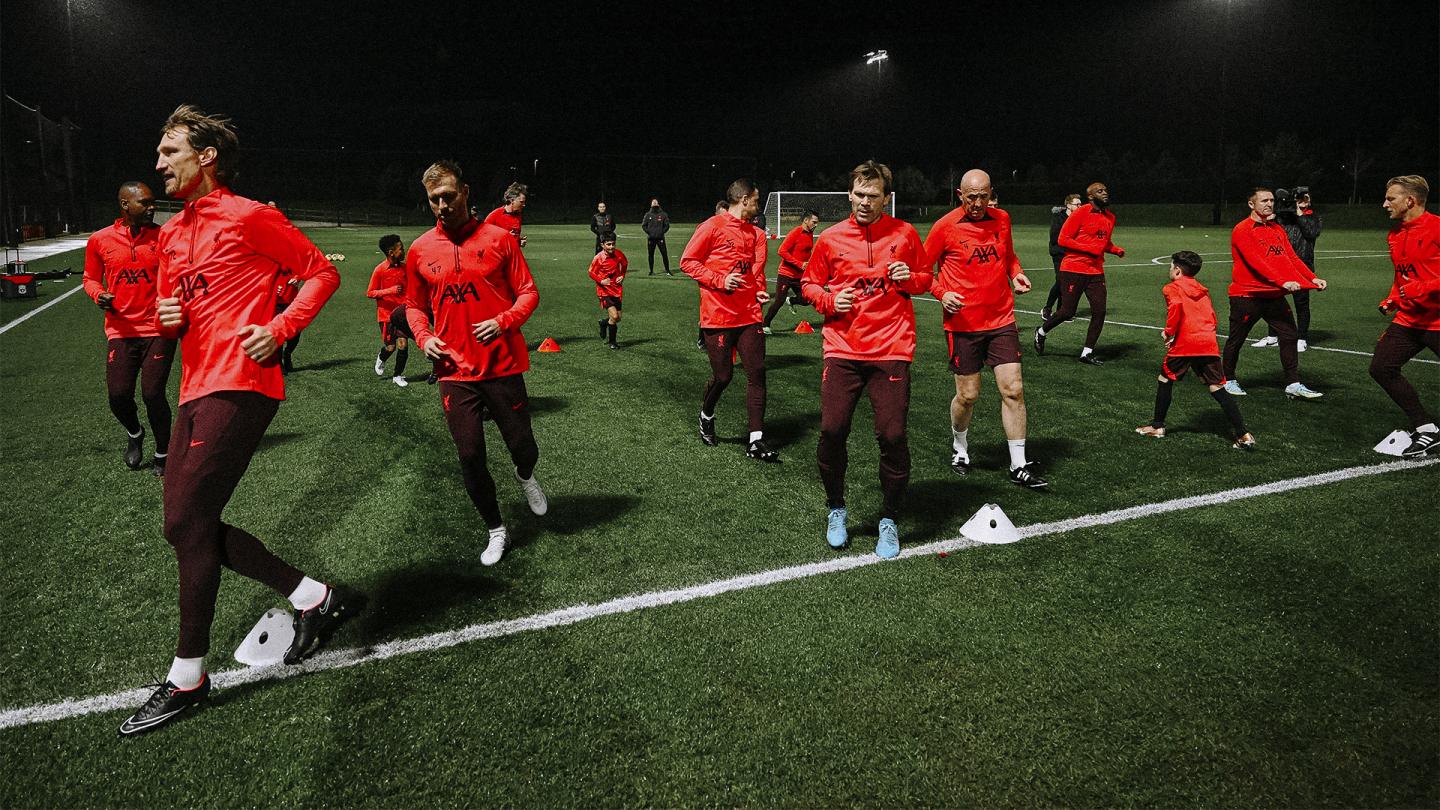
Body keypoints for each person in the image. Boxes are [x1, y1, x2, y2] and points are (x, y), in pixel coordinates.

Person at [119, 105, 358, 736]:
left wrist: (279, 328)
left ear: (206, 156)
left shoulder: (251, 215)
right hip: (197, 387)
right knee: (184, 527)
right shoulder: (171, 236)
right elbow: (179, 314)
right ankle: (315, 597)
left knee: (184, 520)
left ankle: (187, 676)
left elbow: (321, 273)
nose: (159, 164)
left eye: (170, 151)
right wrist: (170, 319)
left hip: (244, 382)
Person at [407, 161, 547, 569]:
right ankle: (496, 529)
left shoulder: (500, 239)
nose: (442, 205)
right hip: (454, 371)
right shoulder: (420, 249)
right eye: (434, 199)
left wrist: (503, 321)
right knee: (469, 455)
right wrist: (424, 336)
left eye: (448, 195)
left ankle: (525, 476)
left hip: (502, 365)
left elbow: (528, 293)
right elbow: (414, 306)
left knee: (523, 446)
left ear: (465, 191)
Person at [802, 160, 931, 559]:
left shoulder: (905, 234)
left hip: (891, 349)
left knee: (892, 437)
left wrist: (907, 277)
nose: (864, 202)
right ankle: (836, 508)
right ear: (849, 194)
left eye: (873, 196)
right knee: (832, 430)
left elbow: (926, 279)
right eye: (858, 194)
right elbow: (808, 283)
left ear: (886, 199)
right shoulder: (830, 238)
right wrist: (828, 300)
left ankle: (889, 520)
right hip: (842, 348)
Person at [924, 170, 1048, 489]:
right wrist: (942, 293)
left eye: (984, 196)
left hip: (1001, 319)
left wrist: (1016, 273)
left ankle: (1018, 464)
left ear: (992, 193)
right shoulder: (944, 227)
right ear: (959, 194)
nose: (978, 203)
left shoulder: (1002, 219)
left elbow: (1010, 257)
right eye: (971, 197)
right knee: (968, 395)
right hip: (963, 325)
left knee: (1013, 389)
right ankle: (961, 447)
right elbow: (921, 271)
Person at [680, 178, 777, 462]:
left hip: (749, 315)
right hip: (719, 316)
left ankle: (756, 440)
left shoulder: (756, 235)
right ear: (744, 199)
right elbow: (688, 261)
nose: (758, 206)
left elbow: (756, 272)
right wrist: (720, 280)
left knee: (757, 374)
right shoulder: (711, 226)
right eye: (757, 200)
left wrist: (760, 291)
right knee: (724, 376)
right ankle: (706, 415)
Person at [82, 180, 175, 475]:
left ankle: (163, 452)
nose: (151, 207)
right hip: (121, 330)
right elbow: (90, 279)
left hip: (158, 329)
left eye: (152, 202)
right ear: (125, 205)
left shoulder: (164, 237)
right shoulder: (100, 240)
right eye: (144, 203)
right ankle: (135, 434)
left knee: (152, 394)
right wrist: (100, 295)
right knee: (119, 395)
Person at [1135, 251, 1255, 449]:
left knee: (1165, 379)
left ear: (1178, 270)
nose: (1170, 270)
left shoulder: (1171, 288)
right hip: (1207, 341)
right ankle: (1243, 434)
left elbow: (1176, 307)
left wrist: (1169, 333)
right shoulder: (1202, 289)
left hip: (1186, 343)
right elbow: (1211, 315)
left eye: (1171, 266)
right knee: (1216, 386)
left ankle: (1158, 426)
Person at [1220, 187, 1327, 399]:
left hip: (1272, 295)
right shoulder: (1242, 229)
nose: (1269, 204)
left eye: (1271, 200)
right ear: (1251, 204)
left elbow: (1292, 258)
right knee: (1236, 339)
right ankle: (1227, 379)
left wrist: (1311, 278)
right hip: (1247, 296)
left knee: (1289, 334)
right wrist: (1283, 282)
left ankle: (1292, 384)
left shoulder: (1276, 229)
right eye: (1263, 201)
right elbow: (1257, 262)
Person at [1371, 175, 1439, 456]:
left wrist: (1422, 287)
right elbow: (1403, 276)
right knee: (1381, 368)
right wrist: (1393, 297)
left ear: (1410, 200)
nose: (1385, 203)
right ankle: (1427, 430)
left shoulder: (1436, 228)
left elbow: (1419, 281)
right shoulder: (1395, 234)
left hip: (1437, 320)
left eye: (1391, 198)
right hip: (1409, 319)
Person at [1034, 182, 1126, 364]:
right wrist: (1088, 248)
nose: (1105, 193)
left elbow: (1103, 242)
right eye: (1100, 191)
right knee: (1067, 312)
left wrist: (1115, 250)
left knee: (1099, 311)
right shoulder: (1082, 212)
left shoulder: (1110, 217)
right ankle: (1041, 331)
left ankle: (1086, 353)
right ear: (1091, 196)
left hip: (1095, 270)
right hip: (1073, 268)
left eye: (1106, 190)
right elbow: (1063, 239)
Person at [1255, 187, 1323, 350]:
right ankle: (1273, 336)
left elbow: (1311, 233)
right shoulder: (1284, 216)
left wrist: (1299, 212)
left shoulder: (1314, 218)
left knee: (1301, 303)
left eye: (1305, 197)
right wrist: (1275, 213)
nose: (1301, 200)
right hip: (1280, 265)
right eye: (1298, 198)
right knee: (1273, 301)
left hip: (1302, 266)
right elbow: (1267, 227)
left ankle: (1301, 338)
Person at [763, 210, 819, 334]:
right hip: (786, 274)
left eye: (817, 223)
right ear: (806, 220)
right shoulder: (795, 232)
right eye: (814, 222)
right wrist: (799, 264)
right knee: (778, 301)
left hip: (799, 275)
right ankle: (765, 325)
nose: (816, 225)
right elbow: (781, 251)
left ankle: (792, 300)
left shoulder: (810, 233)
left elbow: (805, 252)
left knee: (807, 299)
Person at [367, 234, 409, 386]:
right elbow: (370, 293)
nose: (404, 251)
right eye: (401, 249)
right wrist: (389, 290)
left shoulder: (406, 268)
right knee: (390, 347)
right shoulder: (380, 270)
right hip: (386, 316)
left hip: (403, 315)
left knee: (403, 345)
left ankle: (397, 375)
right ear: (391, 252)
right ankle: (382, 357)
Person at [1042, 193, 1083, 319]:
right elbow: (1055, 238)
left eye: (1081, 204)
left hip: (1072, 255)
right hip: (1059, 254)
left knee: (1067, 283)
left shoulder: (1079, 219)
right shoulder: (1058, 218)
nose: (1080, 206)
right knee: (1060, 281)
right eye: (1077, 204)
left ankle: (1061, 311)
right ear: (1069, 205)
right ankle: (1047, 308)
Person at [589, 233, 627, 349]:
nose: (611, 247)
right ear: (602, 245)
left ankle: (603, 323)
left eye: (613, 244)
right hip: (604, 291)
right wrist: (601, 281)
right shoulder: (598, 258)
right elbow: (591, 272)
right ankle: (612, 342)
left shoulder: (619, 254)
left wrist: (622, 275)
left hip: (616, 289)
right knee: (614, 316)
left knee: (618, 318)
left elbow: (624, 264)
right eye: (608, 244)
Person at [273, 267, 303, 374]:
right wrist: (271, 287)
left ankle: (288, 353)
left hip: (293, 302)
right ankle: (279, 363)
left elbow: (303, 268)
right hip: (276, 303)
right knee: (279, 333)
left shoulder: (292, 255)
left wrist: (297, 277)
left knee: (295, 334)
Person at [484, 182, 528, 247]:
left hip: (512, 255)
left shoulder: (518, 215)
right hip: (498, 256)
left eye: (524, 202)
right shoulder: (495, 215)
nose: (524, 205)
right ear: (512, 200)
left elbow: (512, 239)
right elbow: (483, 237)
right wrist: (504, 238)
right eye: (521, 202)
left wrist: (519, 242)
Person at [642, 197, 672, 275]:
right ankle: (651, 271)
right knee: (651, 254)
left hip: (660, 238)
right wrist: (649, 232)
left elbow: (667, 225)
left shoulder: (663, 214)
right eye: (653, 202)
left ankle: (668, 271)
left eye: (656, 202)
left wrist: (662, 232)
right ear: (651, 204)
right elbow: (644, 225)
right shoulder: (648, 215)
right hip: (651, 238)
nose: (654, 203)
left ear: (658, 204)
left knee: (664, 254)